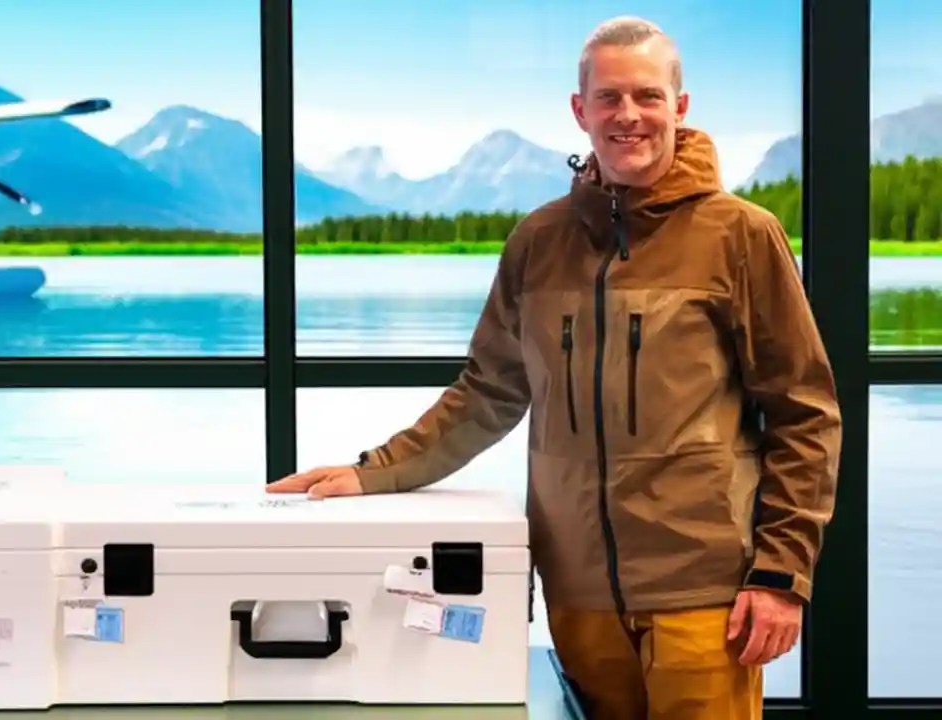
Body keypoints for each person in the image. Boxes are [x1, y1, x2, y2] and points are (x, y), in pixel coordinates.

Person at [266, 15, 842, 720]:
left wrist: (782, 576)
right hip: (576, 596)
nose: (628, 115)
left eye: (648, 96)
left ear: (679, 107)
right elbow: (487, 393)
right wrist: (371, 471)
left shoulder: (743, 236)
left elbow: (804, 414)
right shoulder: (537, 241)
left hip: (705, 594)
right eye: (608, 98)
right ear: (580, 111)